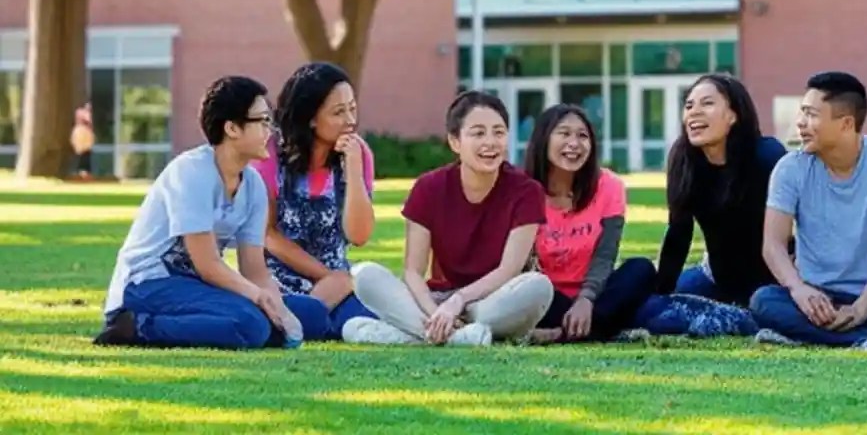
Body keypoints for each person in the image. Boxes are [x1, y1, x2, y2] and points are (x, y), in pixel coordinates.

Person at [93, 76, 325, 349]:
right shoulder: (192, 172)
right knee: (251, 324)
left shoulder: (252, 185)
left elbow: (255, 270)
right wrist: (258, 299)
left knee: (313, 314)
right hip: (149, 283)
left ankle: (252, 327)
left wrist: (276, 307)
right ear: (232, 128)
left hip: (195, 285)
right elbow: (208, 265)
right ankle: (137, 327)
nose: (270, 130)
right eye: (262, 121)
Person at [345, 91, 554, 346]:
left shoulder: (526, 191)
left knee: (539, 287)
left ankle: (414, 336)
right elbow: (412, 272)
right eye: (478, 133)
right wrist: (437, 313)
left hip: (491, 301)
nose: (490, 142)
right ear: (455, 142)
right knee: (364, 275)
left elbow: (508, 270)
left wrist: (459, 301)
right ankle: (455, 336)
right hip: (437, 300)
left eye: (498, 132)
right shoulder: (428, 188)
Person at [750, 71, 867, 347]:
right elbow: (773, 244)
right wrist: (798, 290)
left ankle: (844, 334)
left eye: (811, 114)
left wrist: (862, 307)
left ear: (846, 124)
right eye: (802, 113)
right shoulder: (790, 168)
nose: (800, 123)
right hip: (815, 298)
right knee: (764, 302)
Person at [636, 73, 787, 338]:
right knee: (649, 312)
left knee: (766, 306)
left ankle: (747, 316)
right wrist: (662, 295)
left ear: (733, 115)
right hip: (717, 279)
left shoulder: (767, 155)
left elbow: (805, 220)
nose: (694, 112)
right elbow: (678, 234)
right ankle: (735, 316)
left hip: (773, 282)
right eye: (689, 105)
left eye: (707, 103)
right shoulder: (683, 160)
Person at [253, 62, 377, 341]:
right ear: (310, 118)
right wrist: (325, 276)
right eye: (338, 112)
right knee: (316, 320)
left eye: (352, 108)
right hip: (280, 279)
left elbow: (359, 236)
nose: (350, 120)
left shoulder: (358, 154)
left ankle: (301, 325)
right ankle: (294, 320)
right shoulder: (270, 153)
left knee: (366, 320)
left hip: (339, 284)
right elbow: (266, 234)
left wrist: (354, 171)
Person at [522, 104, 656, 343]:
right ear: (543, 139)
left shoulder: (609, 186)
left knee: (641, 269)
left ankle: (563, 334)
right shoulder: (522, 191)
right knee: (526, 290)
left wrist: (586, 298)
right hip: (545, 296)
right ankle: (599, 329)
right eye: (564, 133)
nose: (574, 143)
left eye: (582, 136)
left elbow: (605, 256)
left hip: (597, 296)